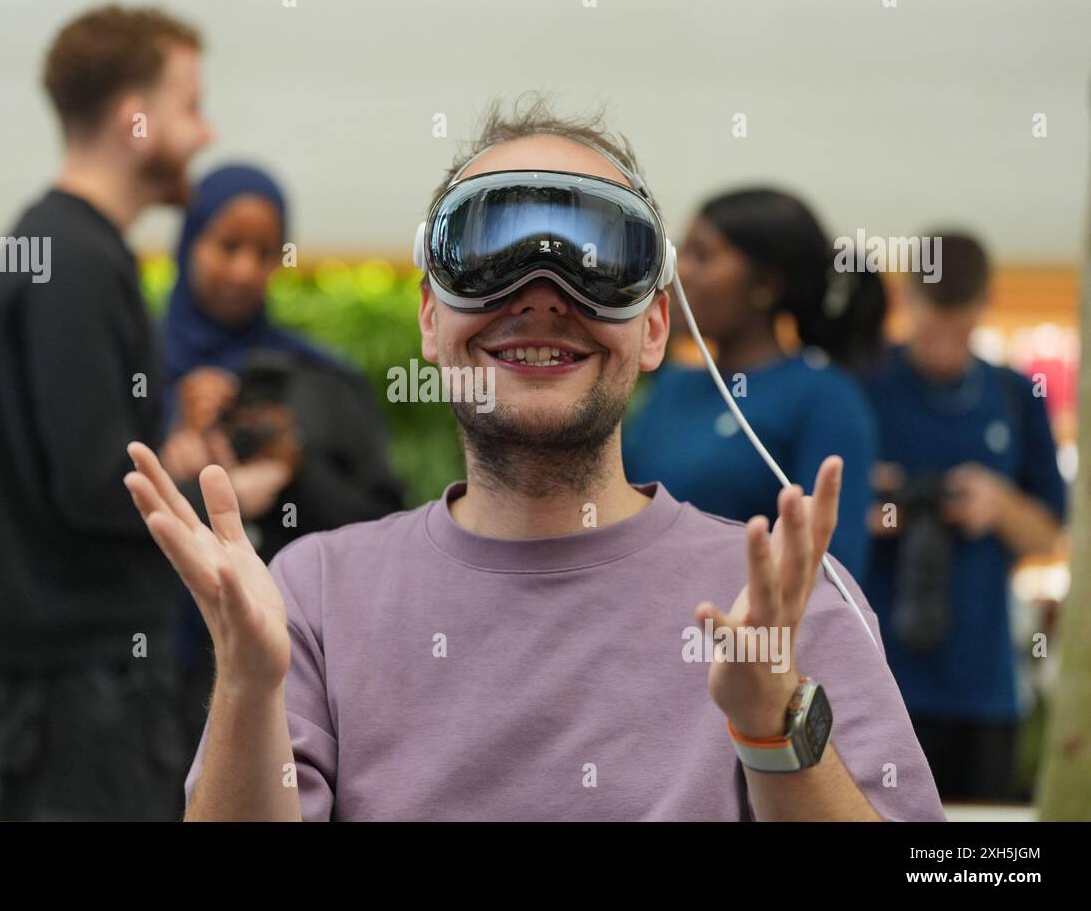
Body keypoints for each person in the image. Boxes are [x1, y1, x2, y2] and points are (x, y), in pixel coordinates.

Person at [124, 99, 944, 821]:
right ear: (428, 322)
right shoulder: (310, 596)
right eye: (487, 253)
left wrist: (772, 725)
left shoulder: (784, 608)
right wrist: (246, 688)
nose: (543, 294)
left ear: (655, 325)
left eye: (598, 258)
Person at [0, 5, 214, 820]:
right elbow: (98, 482)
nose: (205, 135)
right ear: (135, 120)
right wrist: (216, 490)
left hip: (74, 682)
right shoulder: (73, 260)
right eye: (189, 106)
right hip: (82, 691)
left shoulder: (66, 248)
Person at [158, 163, 404, 775]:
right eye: (228, 246)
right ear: (190, 242)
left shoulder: (321, 382)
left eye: (264, 252)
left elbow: (382, 526)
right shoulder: (138, 374)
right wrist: (175, 446)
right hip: (149, 690)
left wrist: (297, 470)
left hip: (291, 683)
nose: (244, 270)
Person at [860, 232, 1065, 802]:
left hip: (983, 690)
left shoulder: (1016, 396)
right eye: (932, 330)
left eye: (961, 330)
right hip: (877, 683)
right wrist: (876, 510)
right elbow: (802, 517)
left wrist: (1000, 505)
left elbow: (1050, 534)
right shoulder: (858, 387)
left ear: (986, 302)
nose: (945, 348)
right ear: (906, 299)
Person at [623, 189, 882, 586]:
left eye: (701, 255)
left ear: (765, 282)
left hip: (741, 641)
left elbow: (833, 572)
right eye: (681, 253)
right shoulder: (672, 384)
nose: (679, 271)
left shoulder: (823, 399)